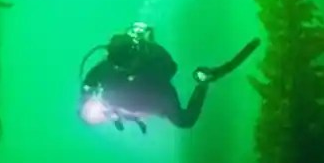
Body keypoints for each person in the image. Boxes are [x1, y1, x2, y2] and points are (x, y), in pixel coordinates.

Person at [78, 22, 260, 133]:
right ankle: (202, 82)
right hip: (127, 100)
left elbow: (171, 68)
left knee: (184, 121)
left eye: (126, 63)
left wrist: (144, 80)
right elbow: (87, 86)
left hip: (157, 91)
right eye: (117, 64)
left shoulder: (153, 56)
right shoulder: (107, 67)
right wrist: (90, 102)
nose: (122, 68)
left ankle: (202, 84)